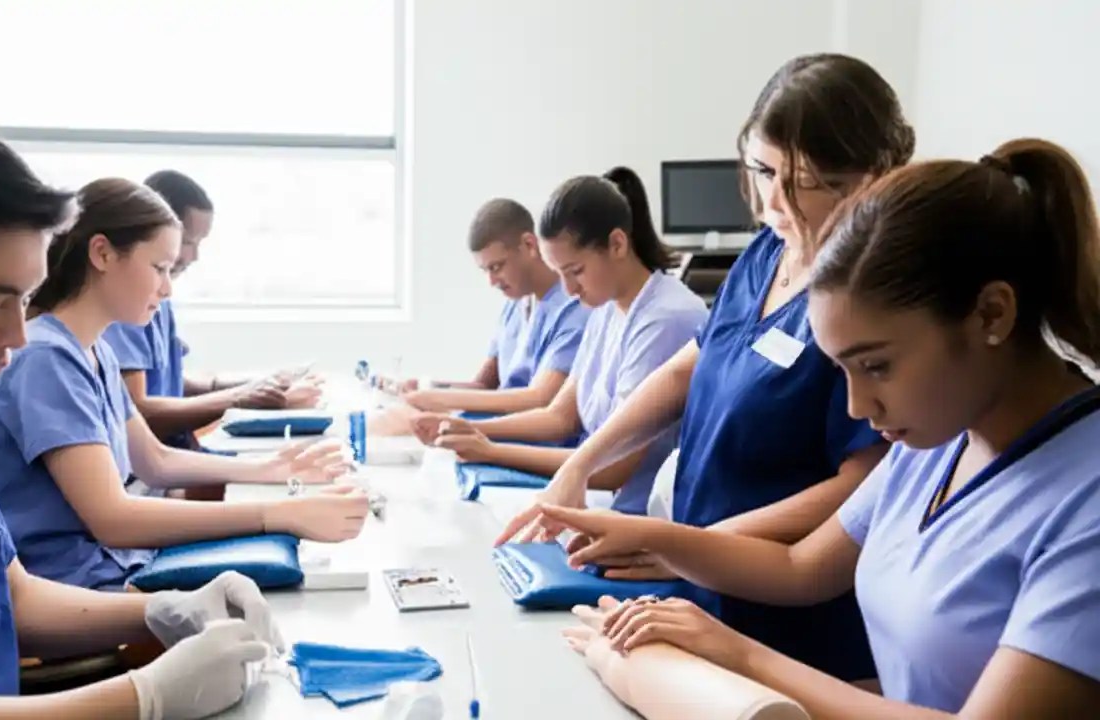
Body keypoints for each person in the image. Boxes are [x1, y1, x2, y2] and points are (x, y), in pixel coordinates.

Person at [549, 137, 1100, 718]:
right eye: (843, 371)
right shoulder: (940, 437)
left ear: (992, 314)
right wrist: (648, 537)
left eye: (877, 367)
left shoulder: (1082, 495)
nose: (859, 407)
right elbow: (802, 567)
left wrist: (740, 656)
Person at [0, 116, 286, 719]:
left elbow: (12, 597)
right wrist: (143, 697)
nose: (16, 335)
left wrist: (169, 605)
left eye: (24, 298)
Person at [496, 54, 913, 681]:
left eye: (799, 180)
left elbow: (863, 485)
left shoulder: (874, 295)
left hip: (790, 620)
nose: (772, 199)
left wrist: (689, 550)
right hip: (702, 582)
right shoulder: (765, 253)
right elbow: (683, 374)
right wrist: (580, 468)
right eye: (763, 170)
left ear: (865, 177)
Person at [0, 177, 369, 591]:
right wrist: (278, 514)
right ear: (102, 253)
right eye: (158, 268)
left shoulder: (93, 351)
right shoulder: (46, 360)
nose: (167, 286)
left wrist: (267, 469)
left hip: (108, 565)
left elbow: (154, 460)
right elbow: (114, 521)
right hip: (70, 584)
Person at [413, 167, 707, 514]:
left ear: (617, 244)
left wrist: (489, 449)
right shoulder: (604, 310)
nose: (568, 289)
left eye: (576, 271)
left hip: (641, 520)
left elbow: (616, 467)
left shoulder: (666, 318)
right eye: (561, 273)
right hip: (603, 504)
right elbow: (559, 417)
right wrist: (473, 430)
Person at [100, 170, 319, 450]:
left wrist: (261, 384)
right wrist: (240, 398)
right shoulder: (127, 305)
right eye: (188, 242)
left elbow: (169, 382)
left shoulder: (159, 299)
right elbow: (138, 411)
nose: (193, 257)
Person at [392, 198, 590, 416]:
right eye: (485, 270)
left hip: (532, 436)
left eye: (497, 267)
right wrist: (424, 387)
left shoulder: (574, 309)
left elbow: (540, 398)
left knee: (400, 422)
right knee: (399, 415)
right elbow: (484, 386)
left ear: (529, 245)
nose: (492, 281)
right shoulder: (515, 306)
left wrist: (439, 399)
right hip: (497, 427)